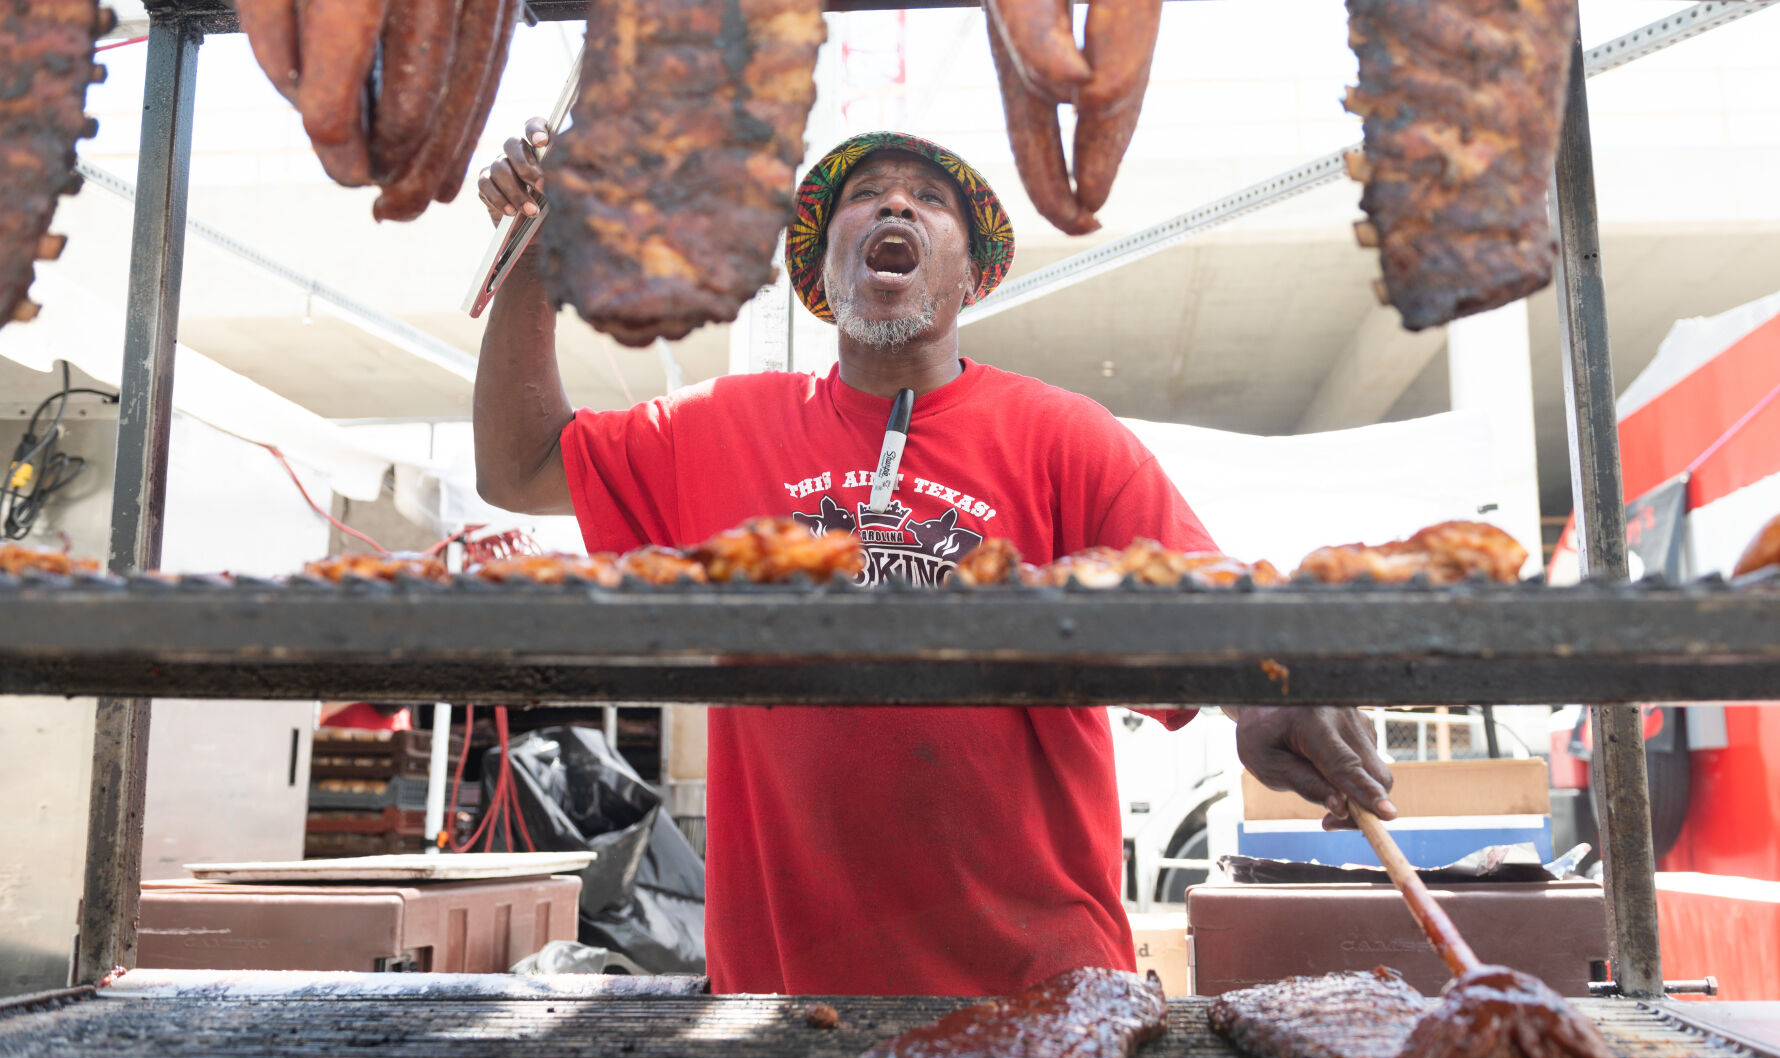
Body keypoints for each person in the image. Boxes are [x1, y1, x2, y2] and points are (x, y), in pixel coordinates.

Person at [473, 124, 1399, 995]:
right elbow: (517, 464)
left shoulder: (1063, 436)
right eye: (866, 198)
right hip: (780, 1003)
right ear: (821, 270)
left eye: (928, 200)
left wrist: (1276, 679)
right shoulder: (717, 428)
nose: (895, 209)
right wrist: (540, 245)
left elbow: (1199, 600)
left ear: (970, 275)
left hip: (1043, 995)